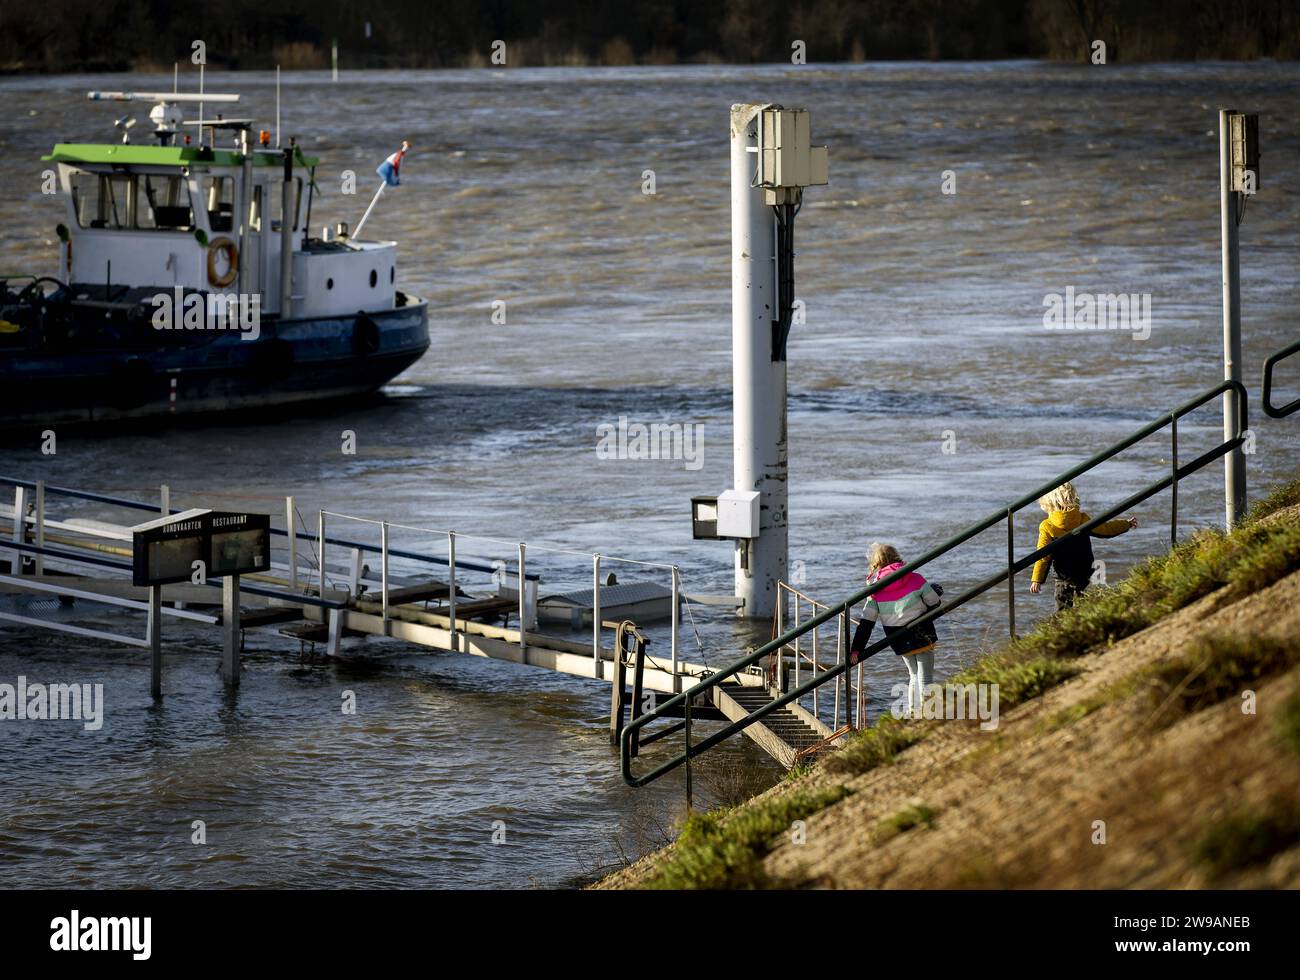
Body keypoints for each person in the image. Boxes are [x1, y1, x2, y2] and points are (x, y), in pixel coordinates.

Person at [849, 543, 942, 719]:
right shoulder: (915, 578)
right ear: (897, 557)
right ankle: (927, 715)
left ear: (876, 565)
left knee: (913, 674)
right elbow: (934, 602)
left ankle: (914, 712)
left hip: (898, 638)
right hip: (923, 631)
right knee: (926, 677)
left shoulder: (875, 591)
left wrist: (856, 649)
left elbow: (866, 623)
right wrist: (935, 590)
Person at [1028, 481, 1138, 610]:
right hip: (1084, 570)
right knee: (1083, 603)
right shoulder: (1082, 519)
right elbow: (1106, 529)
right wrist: (1126, 524)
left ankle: (1066, 628)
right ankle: (1085, 621)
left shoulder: (1047, 526)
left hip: (1063, 575)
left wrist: (1037, 579)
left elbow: (1043, 556)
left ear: (1048, 505)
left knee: (1063, 608)